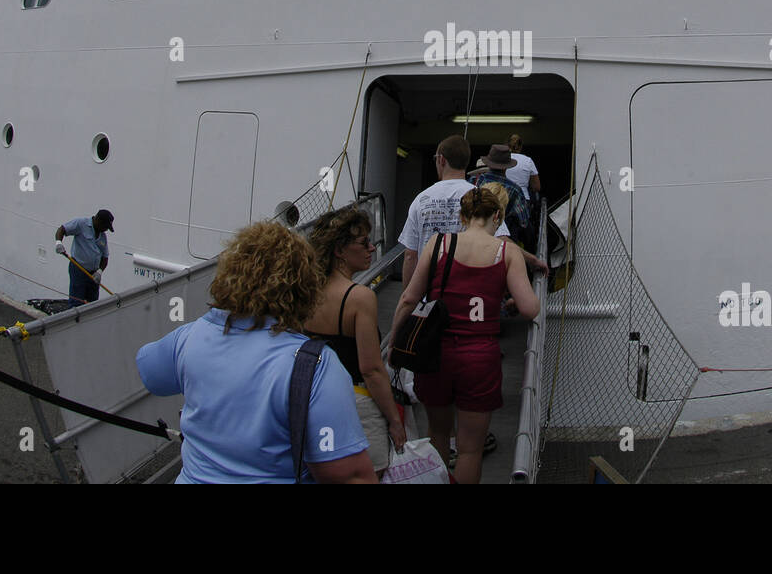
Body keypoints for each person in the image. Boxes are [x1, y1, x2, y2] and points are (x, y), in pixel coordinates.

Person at [137, 221, 375, 483]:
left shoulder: (191, 337)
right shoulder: (316, 365)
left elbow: (149, 372)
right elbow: (348, 475)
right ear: (304, 287)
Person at [390, 187, 539, 484]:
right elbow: (530, 308)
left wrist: (395, 342)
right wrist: (507, 301)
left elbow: (409, 298)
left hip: (437, 354)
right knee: (470, 450)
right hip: (480, 357)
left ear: (462, 216)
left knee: (438, 435)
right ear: (497, 216)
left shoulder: (439, 244)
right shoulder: (506, 252)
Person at [303, 205, 405, 477]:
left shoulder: (306, 293)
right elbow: (371, 369)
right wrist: (394, 420)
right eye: (363, 243)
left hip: (312, 402)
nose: (371, 248)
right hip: (355, 404)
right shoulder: (359, 298)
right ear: (339, 250)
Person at [399, 134, 509, 288]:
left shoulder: (420, 200)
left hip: (428, 295)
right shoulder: (482, 198)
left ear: (441, 160)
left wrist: (408, 296)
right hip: (469, 294)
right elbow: (502, 242)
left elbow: (411, 256)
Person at [472, 144, 534, 251]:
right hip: (504, 242)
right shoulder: (515, 189)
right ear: (506, 167)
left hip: (476, 234)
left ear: (489, 163)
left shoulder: (475, 181)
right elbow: (523, 221)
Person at [55, 209, 113, 307]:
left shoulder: (102, 236)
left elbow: (105, 257)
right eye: (105, 227)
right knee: (77, 302)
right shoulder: (81, 223)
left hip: (93, 275)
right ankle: (75, 321)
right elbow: (62, 229)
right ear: (98, 221)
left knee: (92, 304)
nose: (106, 230)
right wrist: (58, 242)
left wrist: (100, 271)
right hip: (78, 269)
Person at [505, 134, 541, 202]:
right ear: (521, 147)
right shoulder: (528, 160)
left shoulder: (500, 159)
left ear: (507, 145)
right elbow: (536, 187)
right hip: (522, 199)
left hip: (503, 198)